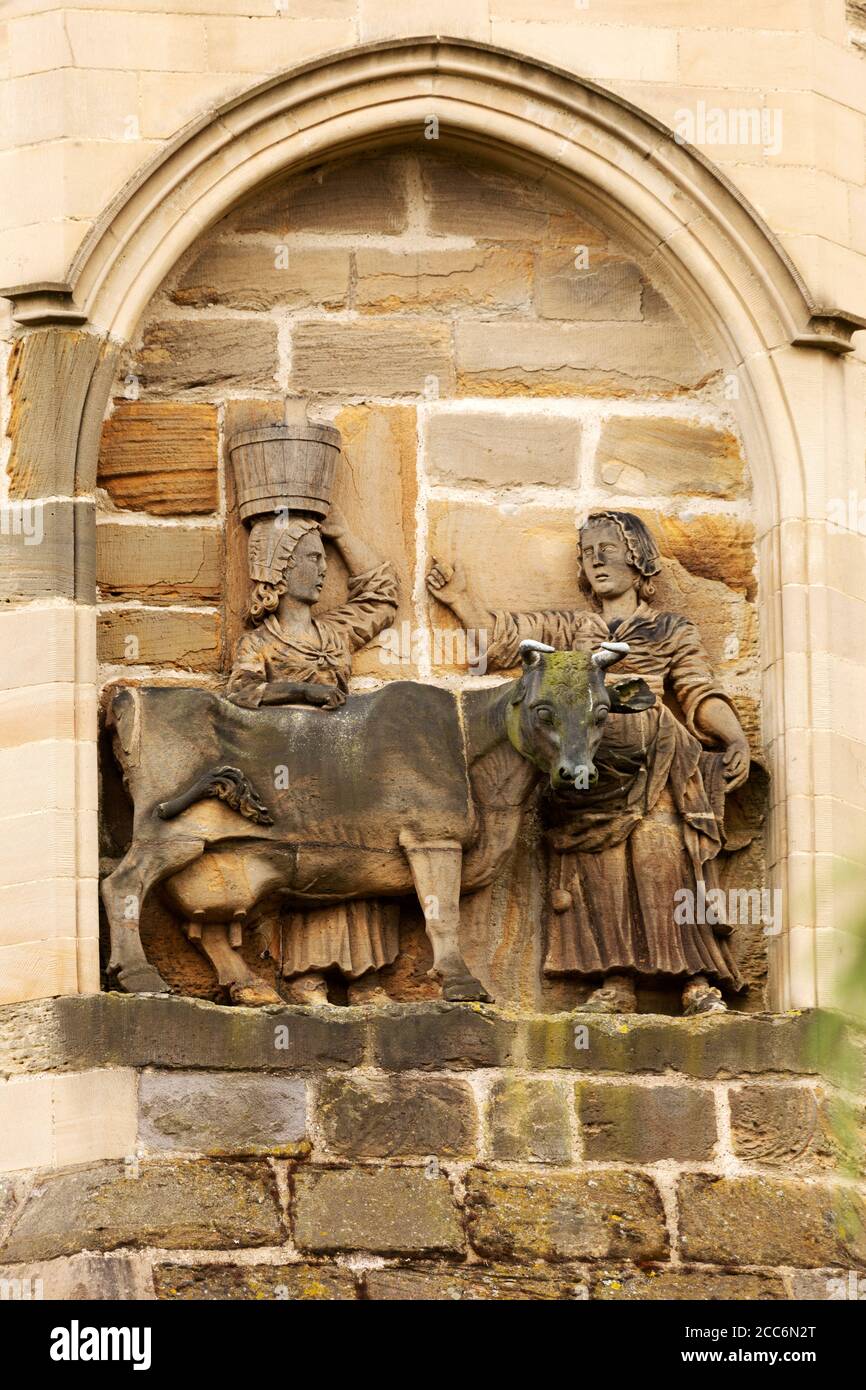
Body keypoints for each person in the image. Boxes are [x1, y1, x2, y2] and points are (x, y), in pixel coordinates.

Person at [427, 510, 751, 1015]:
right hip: (585, 771)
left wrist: (735, 739)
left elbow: (696, 690)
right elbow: (503, 641)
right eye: (586, 551)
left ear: (639, 557)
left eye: (608, 547)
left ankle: (694, 980)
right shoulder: (570, 627)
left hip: (655, 767)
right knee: (599, 876)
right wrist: (460, 599)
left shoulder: (668, 628)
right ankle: (615, 979)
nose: (595, 558)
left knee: (660, 865)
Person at [225, 503, 401, 1006]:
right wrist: (302, 695)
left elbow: (382, 597)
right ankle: (307, 977)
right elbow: (240, 693)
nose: (321, 569)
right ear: (278, 572)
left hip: (345, 766)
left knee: (365, 860)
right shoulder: (261, 641)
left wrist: (343, 534)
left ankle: (367, 976)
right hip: (291, 771)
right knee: (312, 867)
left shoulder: (336, 631)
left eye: (323, 559)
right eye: (308, 558)